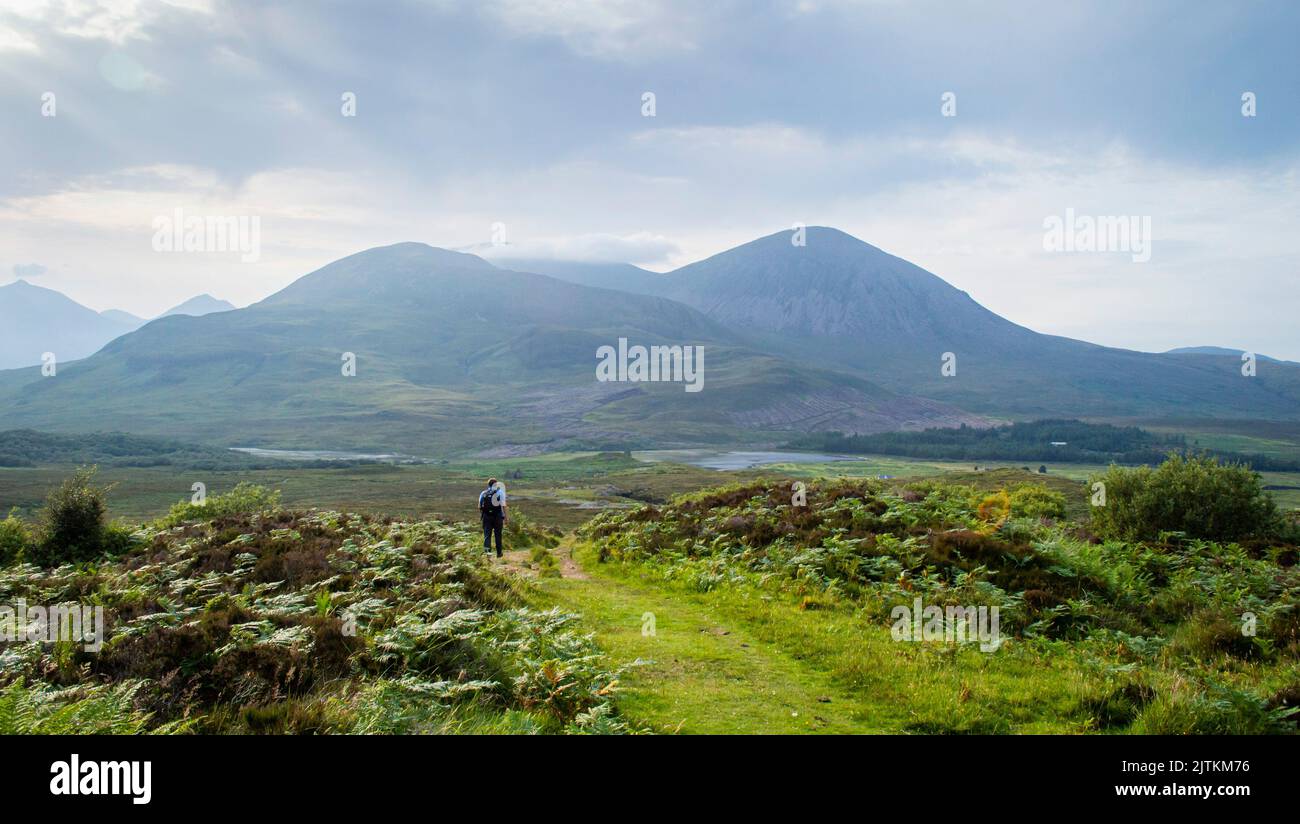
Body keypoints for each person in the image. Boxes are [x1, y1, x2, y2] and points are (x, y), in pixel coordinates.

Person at [478, 478, 508, 558]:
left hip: (486, 517)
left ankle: (488, 554)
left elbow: (479, 506)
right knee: (498, 534)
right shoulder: (500, 492)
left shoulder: (483, 493)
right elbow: (504, 506)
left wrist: (484, 514)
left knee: (487, 535)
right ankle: (499, 553)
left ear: (488, 485)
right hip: (497, 516)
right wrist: (506, 518)